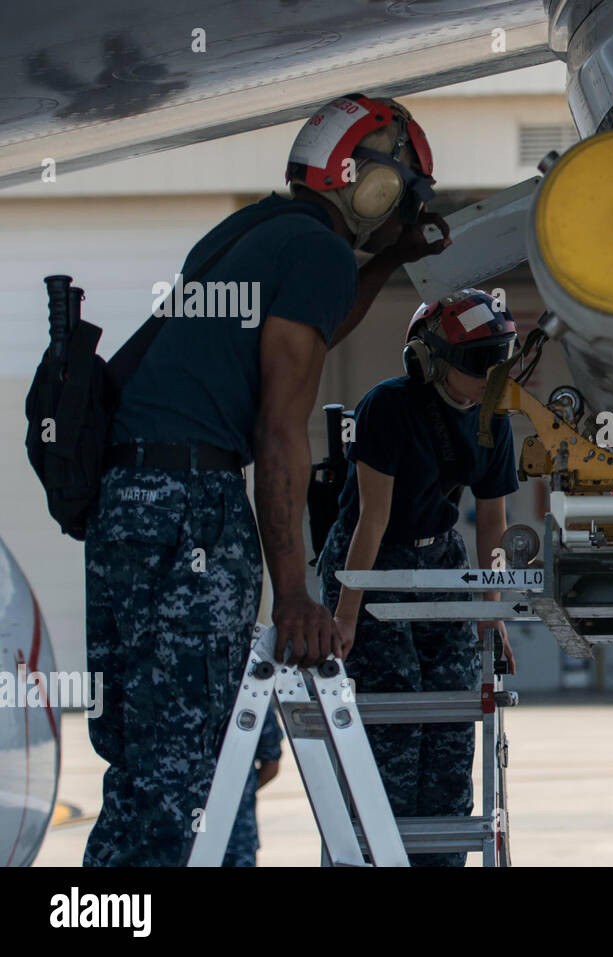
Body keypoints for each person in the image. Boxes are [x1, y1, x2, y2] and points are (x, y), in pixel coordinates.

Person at [83, 93, 452, 867]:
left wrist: (386, 261)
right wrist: (293, 592)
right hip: (193, 505)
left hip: (128, 500)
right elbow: (281, 431)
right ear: (373, 186)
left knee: (144, 762)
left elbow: (309, 325)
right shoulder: (315, 254)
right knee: (203, 771)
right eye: (397, 199)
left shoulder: (255, 233)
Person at [316, 289, 520, 867]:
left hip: (441, 560)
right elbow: (372, 520)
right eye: (479, 363)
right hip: (371, 561)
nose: (491, 376)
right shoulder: (388, 408)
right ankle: (383, 854)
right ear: (428, 361)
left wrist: (491, 615)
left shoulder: (492, 423)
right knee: (396, 711)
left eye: (499, 360)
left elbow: (493, 526)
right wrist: (346, 618)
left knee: (456, 710)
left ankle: (442, 856)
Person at [223, 713, 283, 867]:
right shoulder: (248, 694)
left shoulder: (250, 697)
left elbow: (271, 765)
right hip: (237, 837)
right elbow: (271, 765)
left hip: (236, 837)